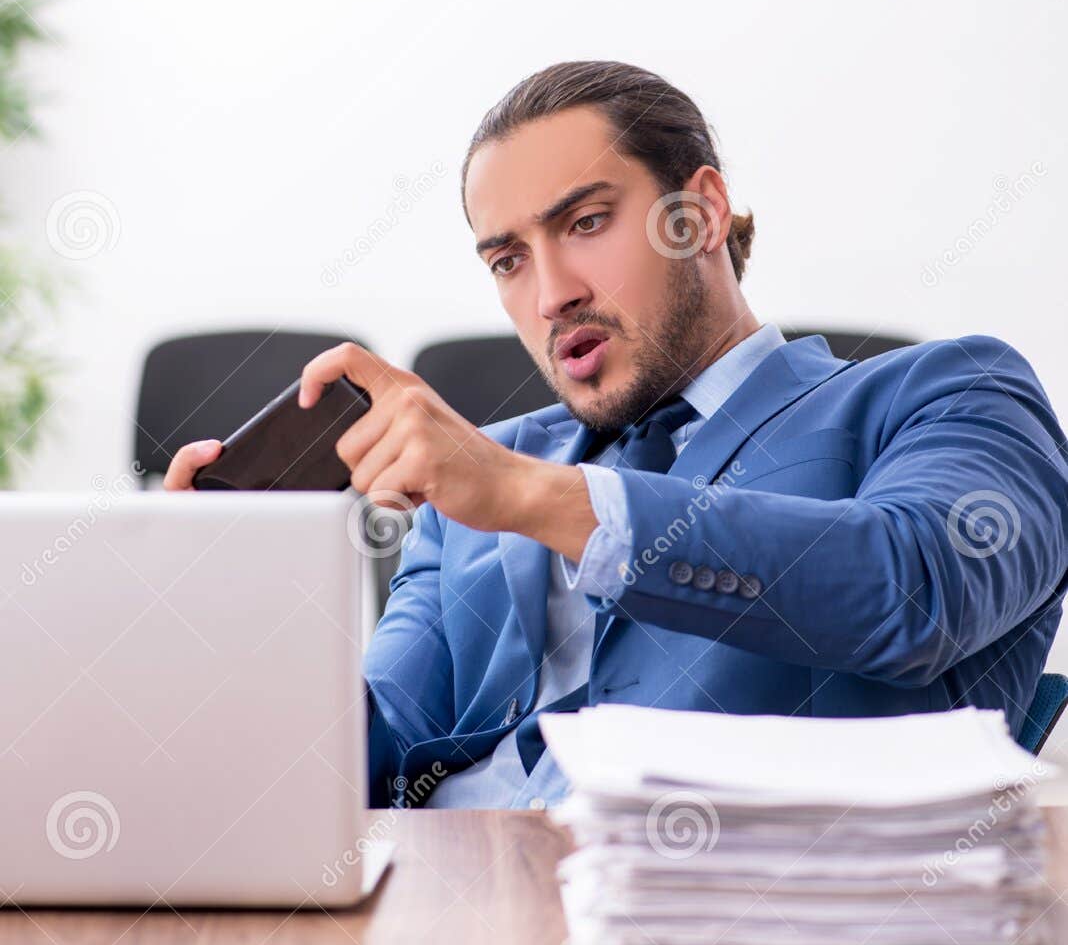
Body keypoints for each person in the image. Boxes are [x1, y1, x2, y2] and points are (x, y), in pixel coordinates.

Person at [166, 61, 1068, 808]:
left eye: (586, 223)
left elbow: (912, 592)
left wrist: (525, 494)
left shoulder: (951, 392)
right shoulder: (466, 495)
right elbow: (367, 770)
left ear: (699, 214)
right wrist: (246, 614)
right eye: (509, 259)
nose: (550, 293)